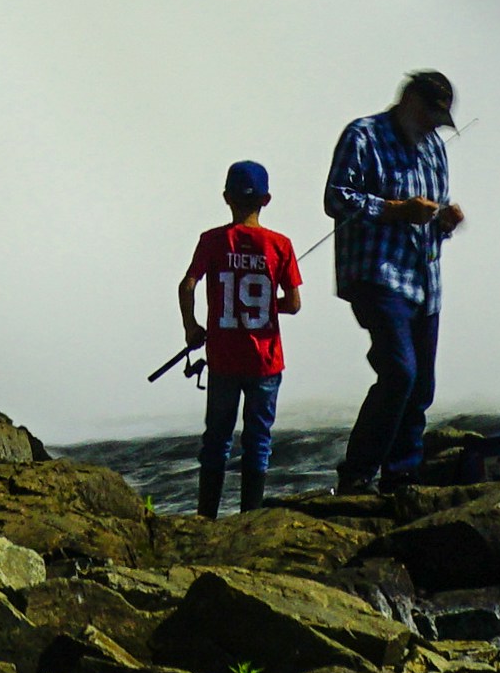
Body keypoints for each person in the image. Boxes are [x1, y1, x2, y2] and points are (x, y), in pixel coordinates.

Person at [322, 70, 460, 494]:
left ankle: (401, 475)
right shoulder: (362, 136)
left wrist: (445, 222)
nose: (435, 127)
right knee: (399, 372)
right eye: (432, 116)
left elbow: (430, 221)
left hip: (424, 281)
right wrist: (397, 210)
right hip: (375, 275)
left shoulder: (435, 148)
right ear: (410, 102)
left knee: (421, 385)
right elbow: (336, 198)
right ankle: (358, 474)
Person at [177, 159, 301, 518]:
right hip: (265, 362)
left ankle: (206, 517)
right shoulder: (280, 245)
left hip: (223, 359)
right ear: (267, 200)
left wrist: (192, 326)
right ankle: (251, 518)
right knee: (258, 442)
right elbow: (293, 304)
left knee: (216, 440)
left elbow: (187, 286)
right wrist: (264, 304)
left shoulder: (211, 241)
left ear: (226, 197)